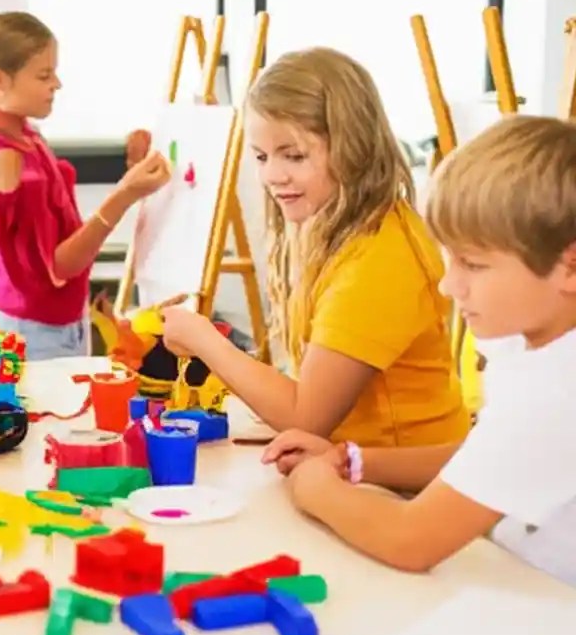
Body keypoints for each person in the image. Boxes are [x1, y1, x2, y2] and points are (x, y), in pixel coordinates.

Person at [261, 115, 576, 582]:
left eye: (473, 265)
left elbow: (410, 541)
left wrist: (315, 487)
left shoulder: (555, 389)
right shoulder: (537, 351)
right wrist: (353, 459)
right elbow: (480, 454)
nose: (450, 285)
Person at [161, 47, 469, 447]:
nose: (272, 175)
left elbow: (307, 418)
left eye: (293, 156)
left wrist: (205, 341)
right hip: (356, 463)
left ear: (352, 147)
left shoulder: (379, 258)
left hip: (402, 481)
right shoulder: (333, 228)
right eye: (261, 156)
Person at [0, 11, 171, 360]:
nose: (56, 83)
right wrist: (125, 193)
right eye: (44, 75)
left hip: (55, 323)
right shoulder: (6, 162)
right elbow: (58, 267)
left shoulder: (26, 136)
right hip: (30, 333)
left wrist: (128, 159)